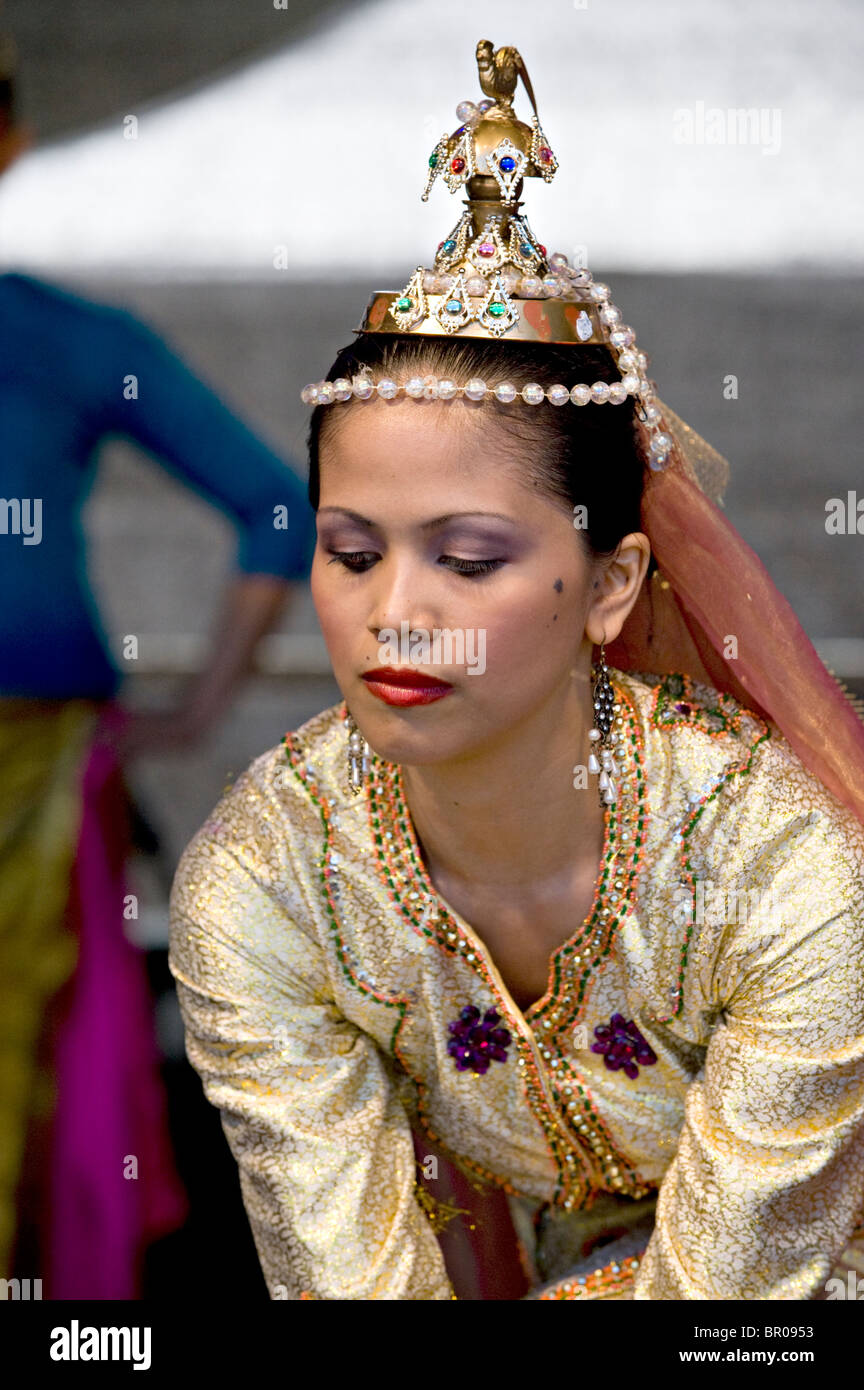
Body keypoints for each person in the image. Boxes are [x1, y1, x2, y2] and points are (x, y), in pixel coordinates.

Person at [168, 39, 864, 1300]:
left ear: (611, 585)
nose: (394, 615)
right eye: (351, 552)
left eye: (470, 559)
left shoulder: (777, 866)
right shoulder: (268, 880)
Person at [0, 31, 317, 1297]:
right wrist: (193, 707)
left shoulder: (74, 339)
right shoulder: (76, 339)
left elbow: (281, 510)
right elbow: (278, 508)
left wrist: (193, 709)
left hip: (45, 763)